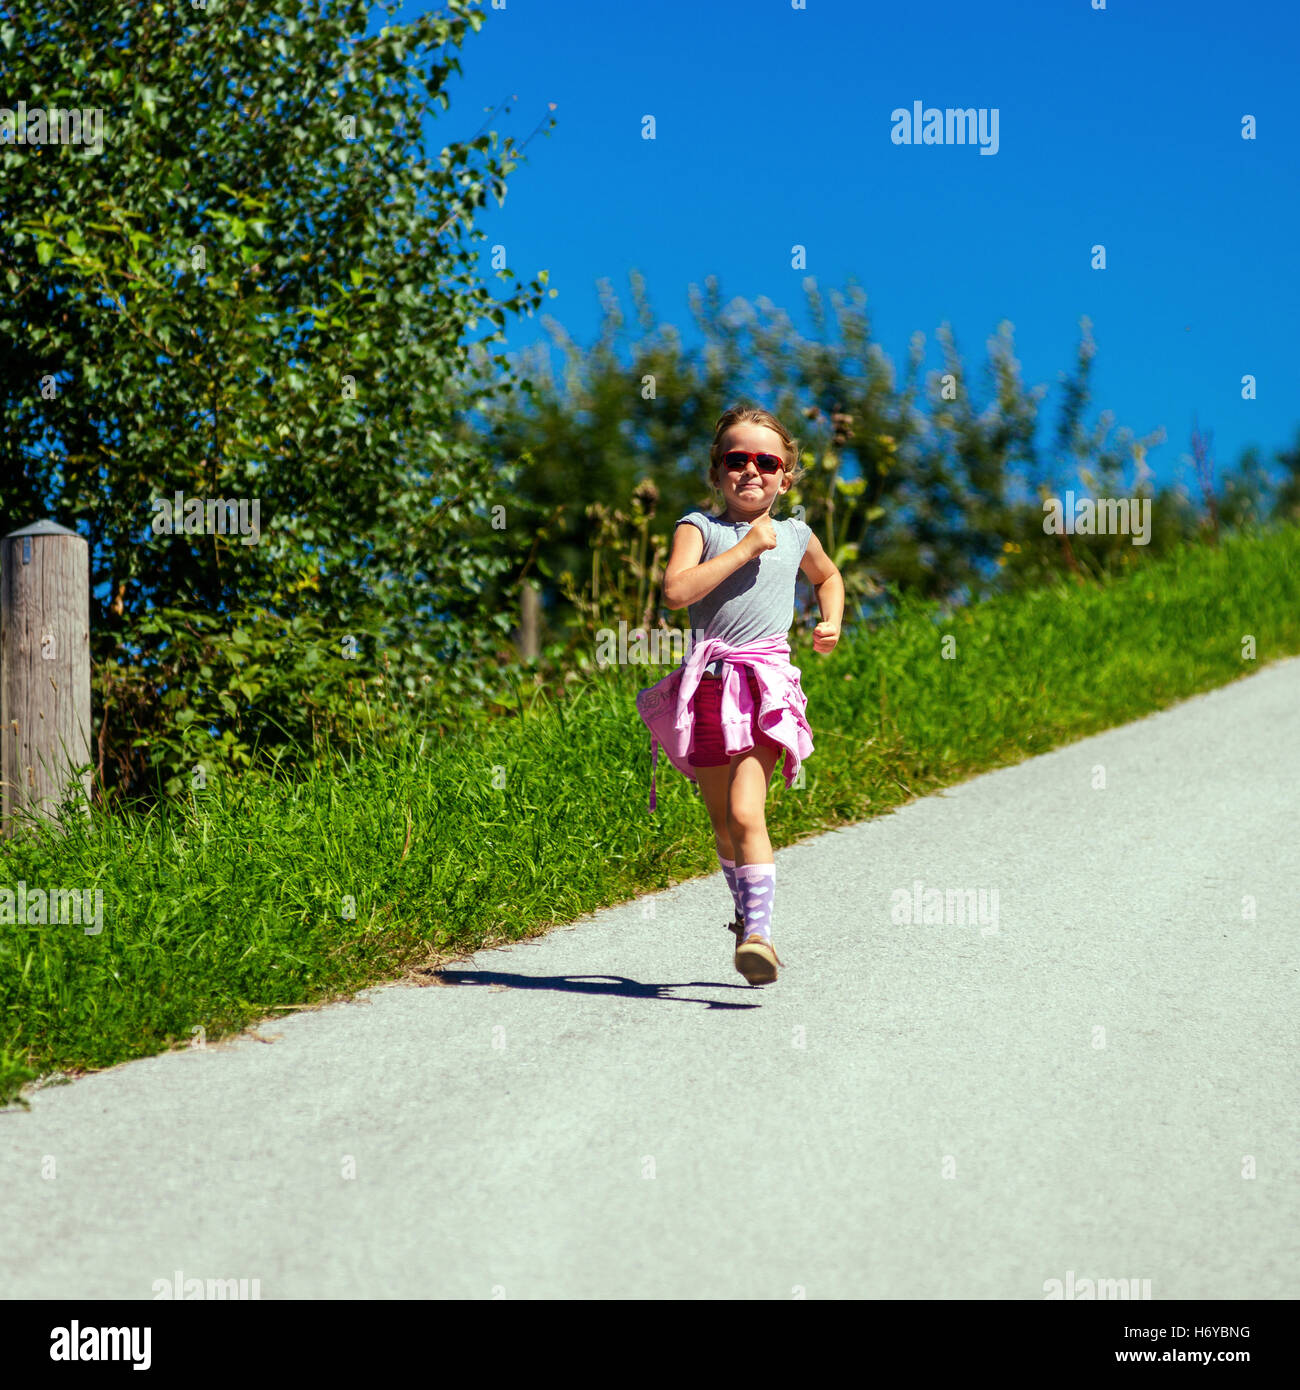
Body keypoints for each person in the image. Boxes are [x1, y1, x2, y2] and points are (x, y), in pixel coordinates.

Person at [636, 405, 844, 986]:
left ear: (786, 477)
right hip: (706, 686)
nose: (750, 470)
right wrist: (748, 546)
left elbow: (828, 577)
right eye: (737, 459)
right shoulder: (697, 529)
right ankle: (744, 913)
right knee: (722, 822)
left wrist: (831, 621)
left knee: (746, 810)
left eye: (766, 461)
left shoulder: (798, 533)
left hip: (764, 687)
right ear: (717, 470)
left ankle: (759, 937)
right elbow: (676, 591)